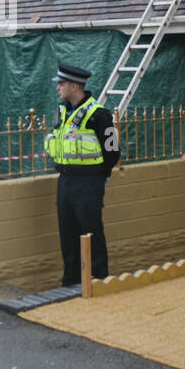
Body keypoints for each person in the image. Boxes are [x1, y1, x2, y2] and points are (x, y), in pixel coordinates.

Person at [45, 63, 120, 287]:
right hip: (65, 181)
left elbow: (112, 150)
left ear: (75, 86)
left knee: (91, 233)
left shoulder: (99, 114)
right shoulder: (62, 111)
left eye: (62, 83)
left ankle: (98, 280)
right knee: (67, 235)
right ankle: (70, 284)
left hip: (88, 183)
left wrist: (99, 176)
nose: (58, 87)